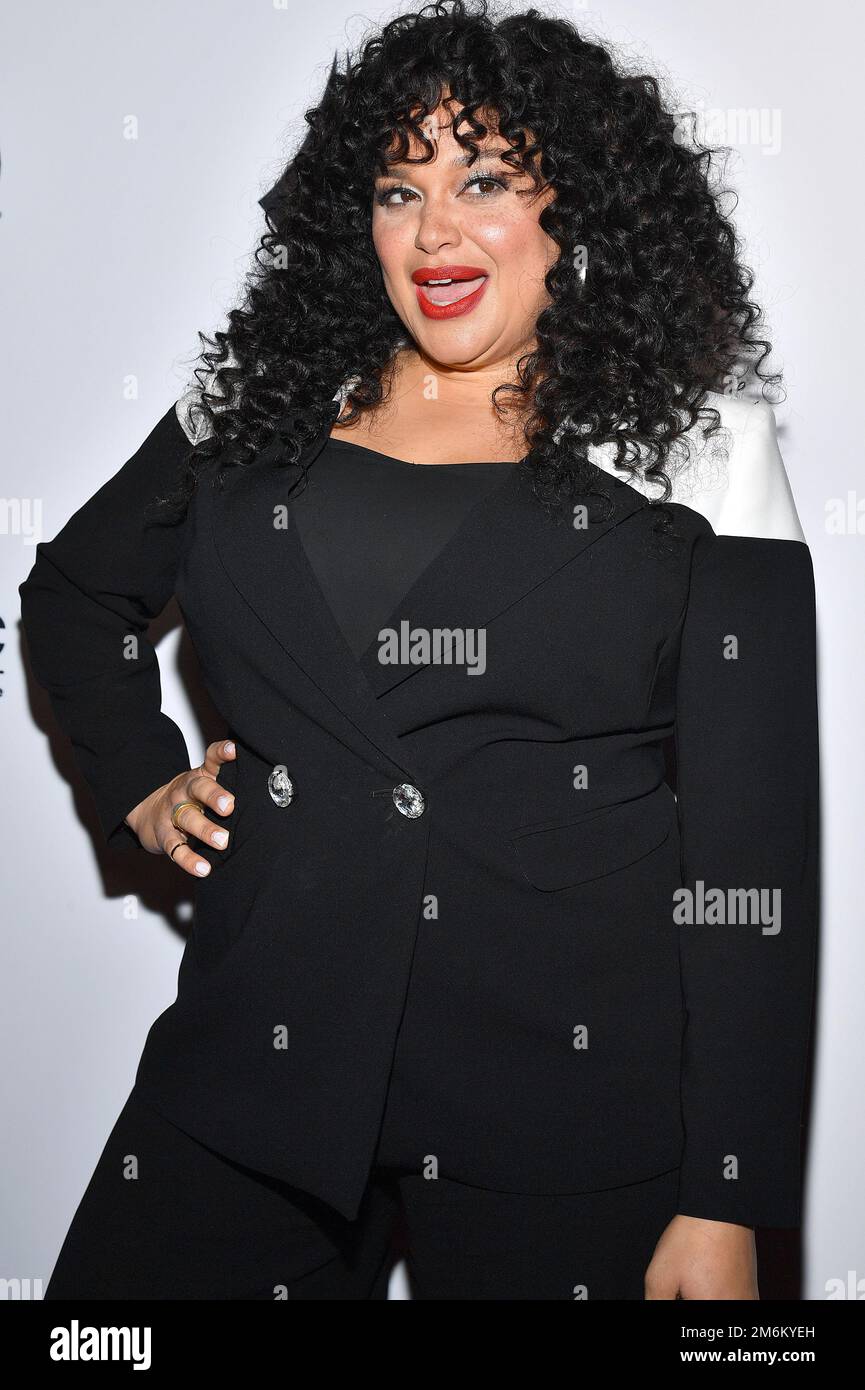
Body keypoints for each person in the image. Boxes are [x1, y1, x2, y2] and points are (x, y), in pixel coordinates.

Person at [20, 0, 817, 1300]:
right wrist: (138, 778)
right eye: (399, 188)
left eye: (484, 179)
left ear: (577, 202)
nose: (435, 227)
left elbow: (751, 856)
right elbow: (72, 597)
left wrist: (724, 1196)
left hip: (564, 1118)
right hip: (255, 1073)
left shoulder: (700, 446)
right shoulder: (251, 400)